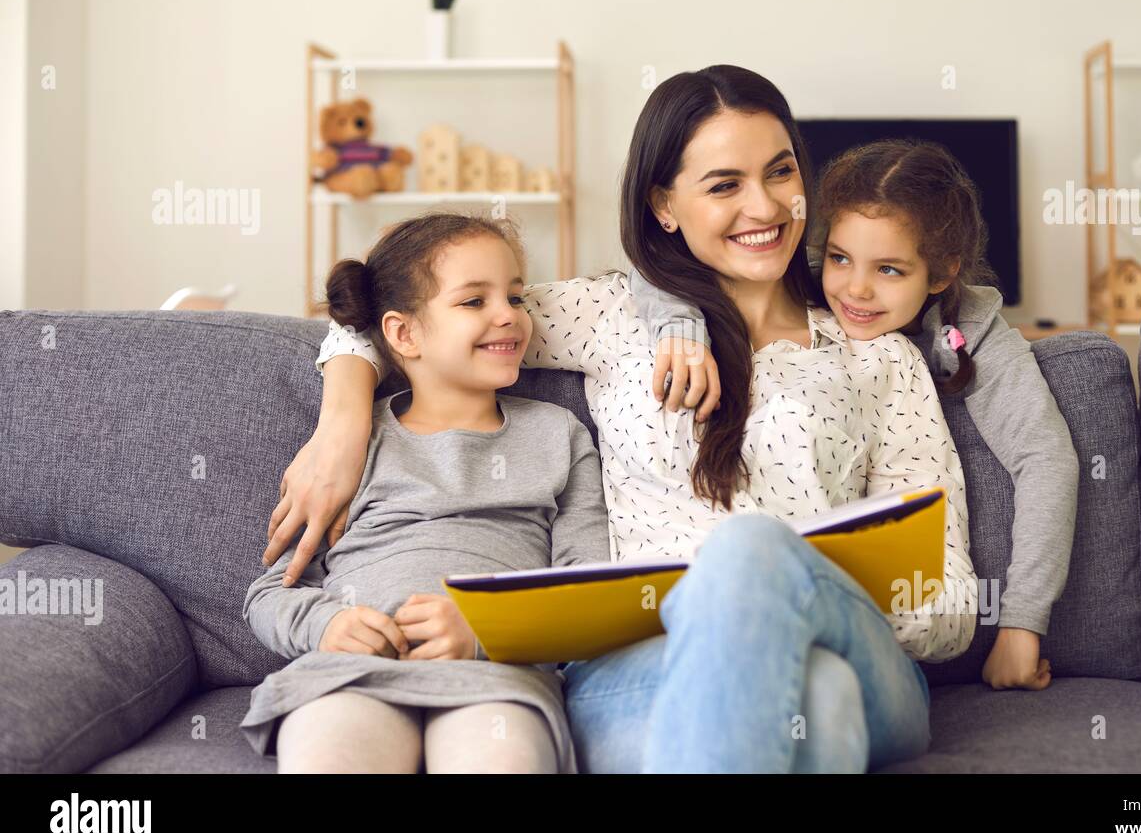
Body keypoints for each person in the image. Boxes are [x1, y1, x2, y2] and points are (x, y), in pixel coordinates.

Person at [269, 65, 977, 772]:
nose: (764, 206)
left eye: (780, 172)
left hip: (856, 650)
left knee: (752, 556)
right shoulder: (610, 316)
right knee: (818, 701)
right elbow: (406, 310)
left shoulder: (880, 356)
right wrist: (343, 426)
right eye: (724, 185)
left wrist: (788, 592)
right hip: (644, 670)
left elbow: (948, 600)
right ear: (664, 205)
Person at [631, 138, 1078, 692]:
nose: (857, 289)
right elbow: (656, 264)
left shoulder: (972, 325)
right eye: (840, 258)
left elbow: (1046, 458)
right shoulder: (799, 286)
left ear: (941, 274)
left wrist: (1021, 625)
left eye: (889, 269)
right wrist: (678, 322)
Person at [243, 213, 609, 773]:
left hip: (492, 677)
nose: (509, 315)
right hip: (350, 675)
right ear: (403, 334)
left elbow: (589, 592)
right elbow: (270, 593)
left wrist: (487, 629)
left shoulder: (560, 435)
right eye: (474, 301)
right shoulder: (350, 448)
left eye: (515, 297)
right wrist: (327, 625)